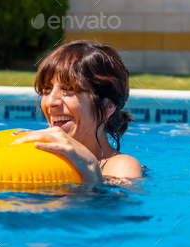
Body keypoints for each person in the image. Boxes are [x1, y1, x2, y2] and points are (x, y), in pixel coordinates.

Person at [12, 40, 142, 183]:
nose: (50, 102)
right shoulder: (39, 149)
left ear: (107, 106)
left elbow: (114, 203)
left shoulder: (121, 165)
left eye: (69, 89)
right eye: (47, 90)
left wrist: (90, 169)